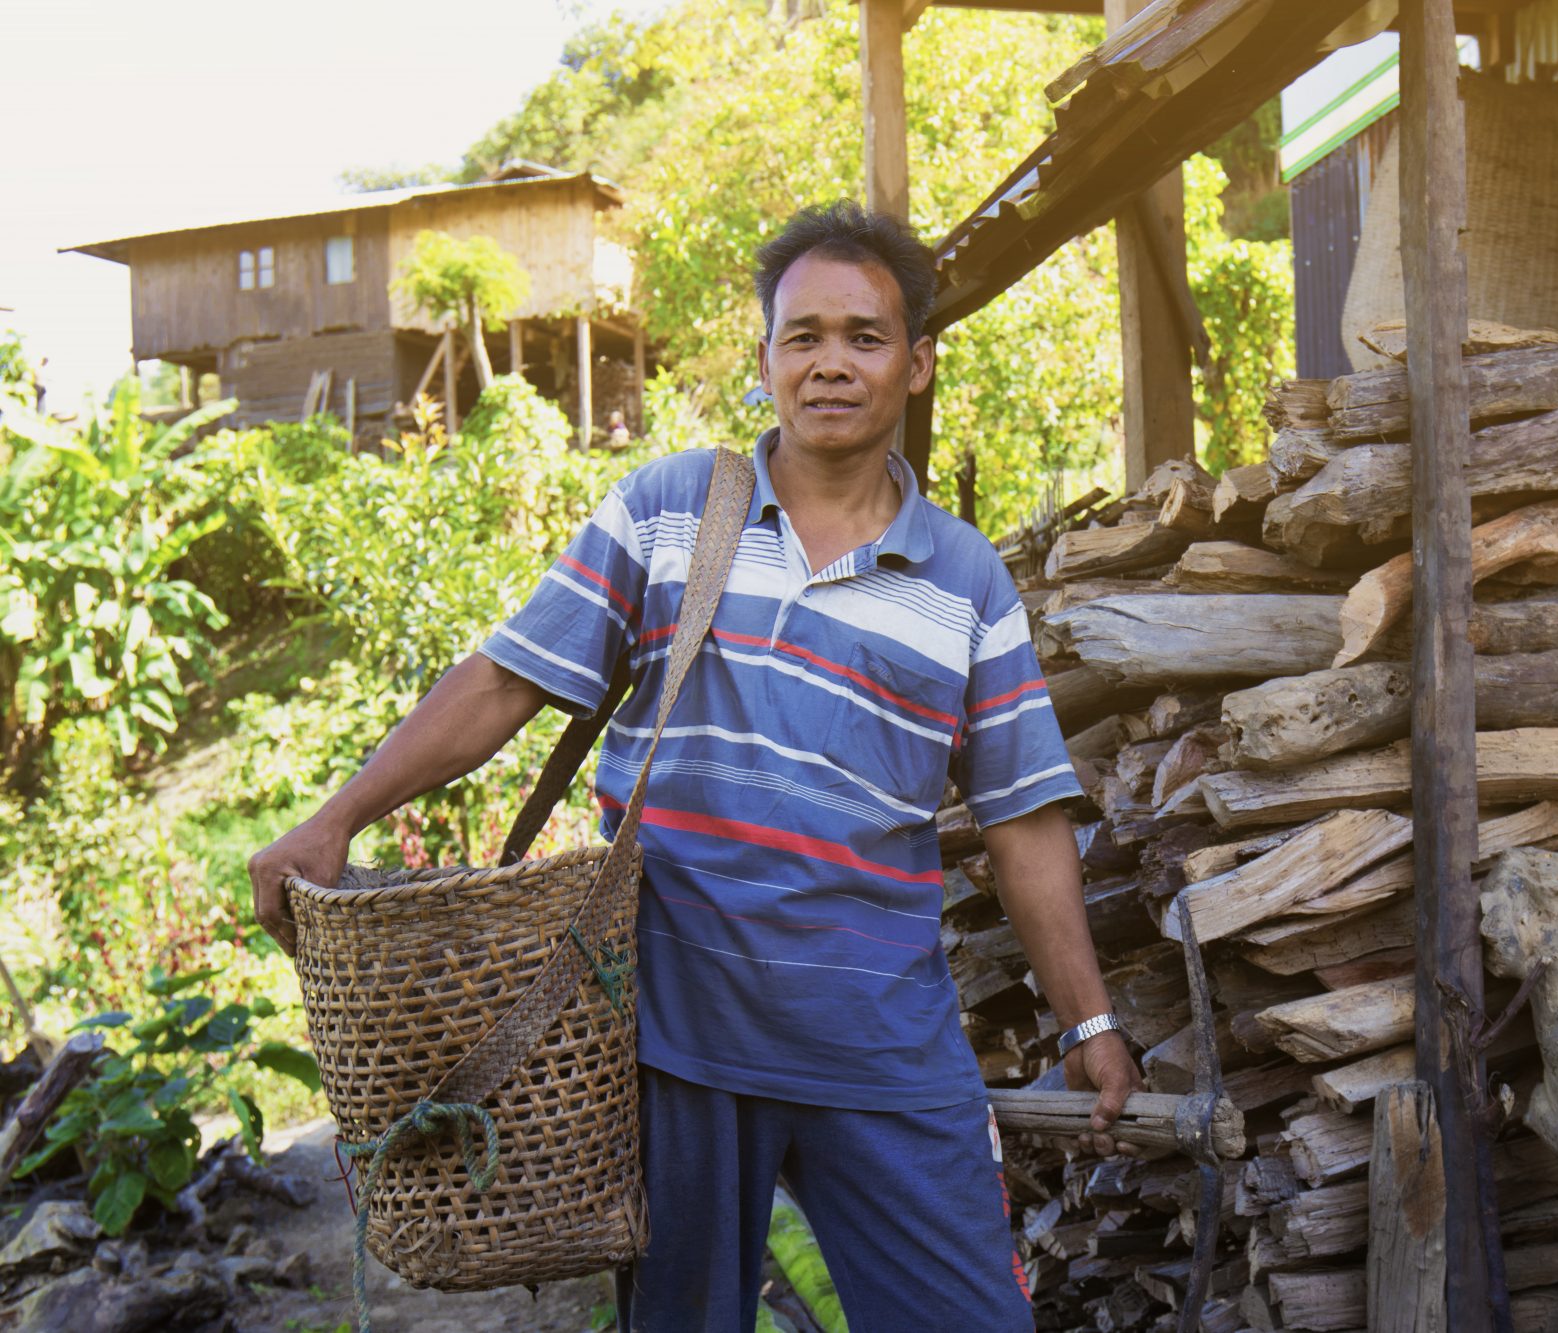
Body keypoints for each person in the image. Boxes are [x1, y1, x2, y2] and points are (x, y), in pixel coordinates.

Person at [248, 200, 1143, 1332]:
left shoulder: (964, 582)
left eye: (864, 337)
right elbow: (505, 681)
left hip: (880, 1040)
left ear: (916, 363)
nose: (830, 364)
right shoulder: (673, 511)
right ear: (766, 356)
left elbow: (1022, 822)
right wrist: (335, 818)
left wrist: (1086, 1023)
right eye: (802, 335)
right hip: (673, 1039)